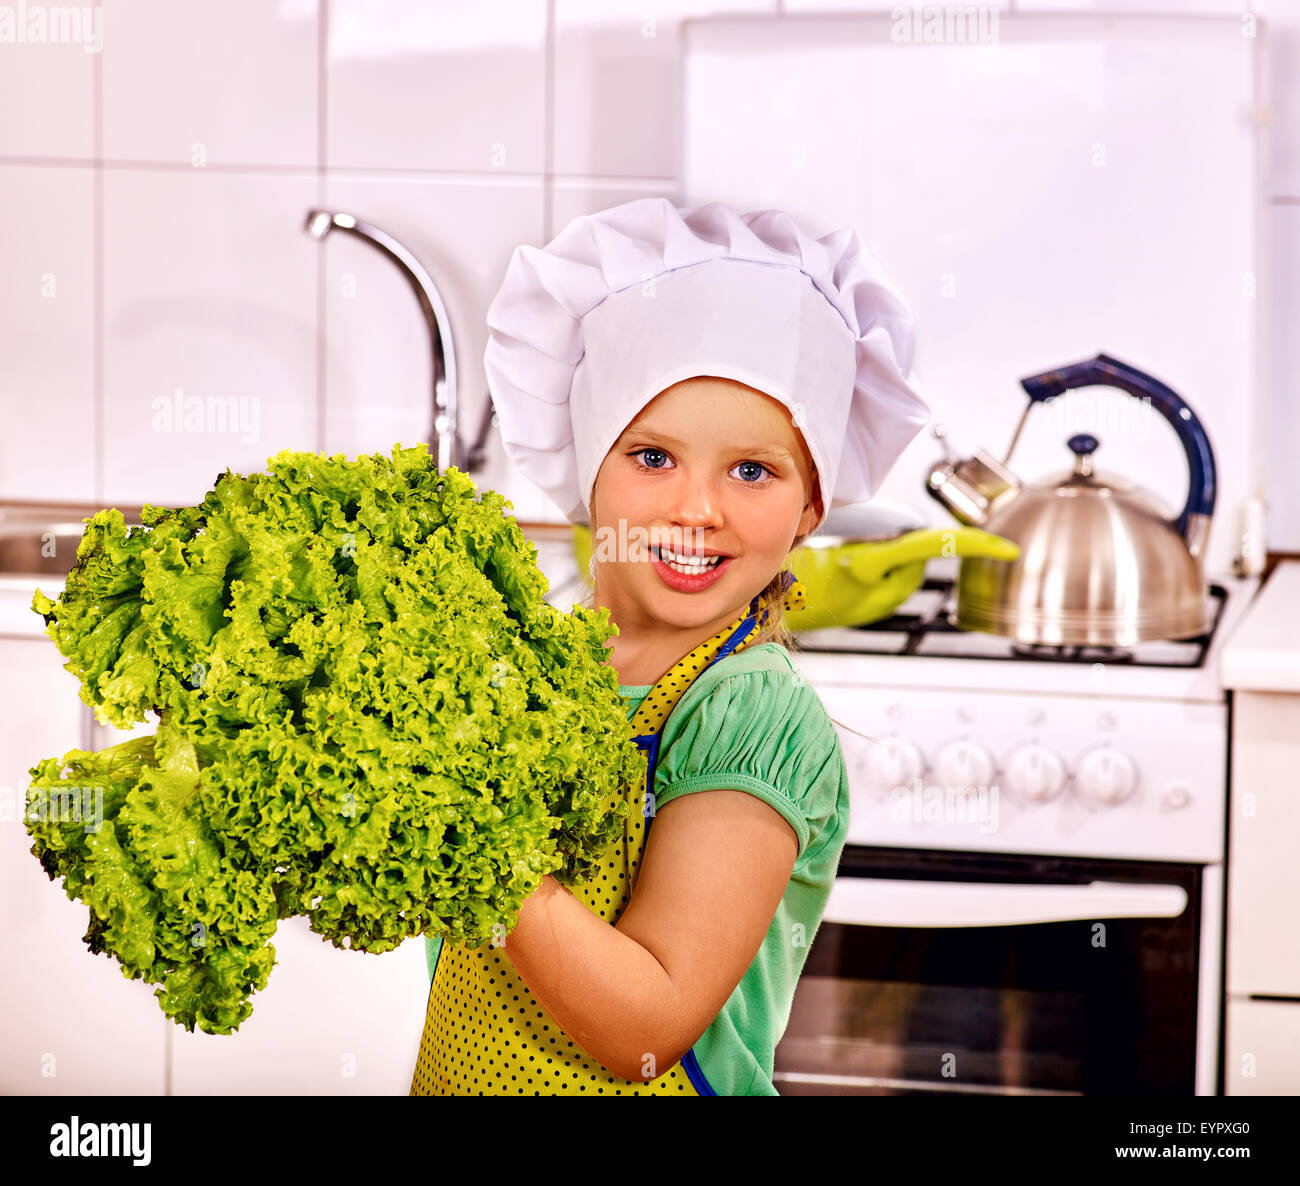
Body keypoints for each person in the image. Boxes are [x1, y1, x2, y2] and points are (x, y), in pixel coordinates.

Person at [409, 197, 930, 1095]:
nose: (698, 509)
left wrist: (463, 825)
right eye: (653, 458)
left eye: (753, 470)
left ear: (811, 507)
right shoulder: (537, 670)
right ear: (588, 468)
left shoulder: (748, 713)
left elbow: (646, 1025)